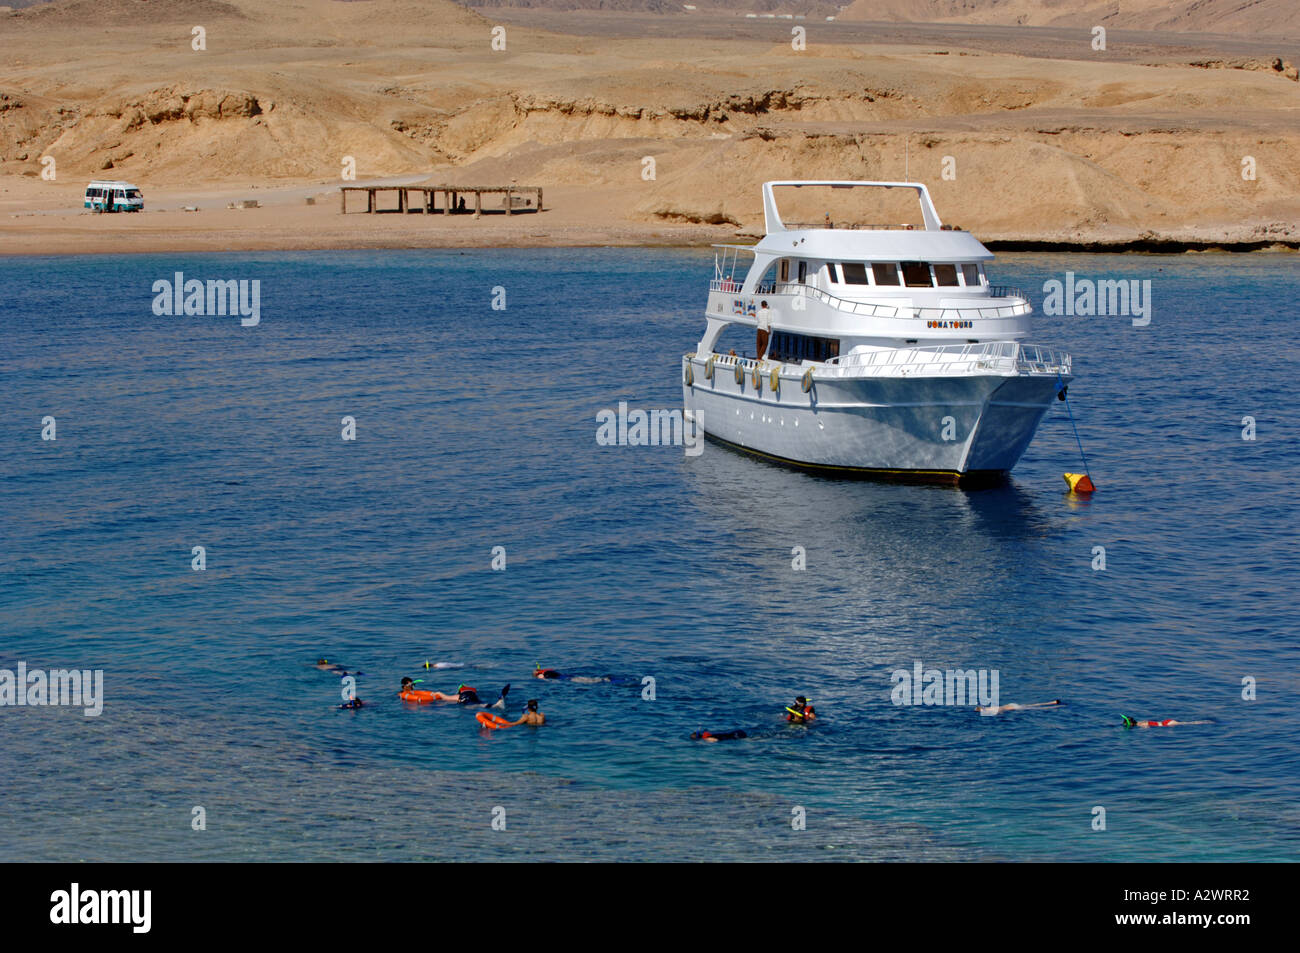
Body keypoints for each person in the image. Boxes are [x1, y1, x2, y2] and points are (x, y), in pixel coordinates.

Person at [976, 700, 1061, 715]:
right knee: (1034, 705)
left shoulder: (993, 710)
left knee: (1037, 708)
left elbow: (1000, 712)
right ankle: (1053, 702)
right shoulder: (991, 708)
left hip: (1014, 708)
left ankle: (1054, 706)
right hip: (1012, 705)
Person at [1121, 715, 1210, 728]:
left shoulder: (1141, 725)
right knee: (1188, 723)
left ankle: (1206, 722)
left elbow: (1147, 727)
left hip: (1167, 724)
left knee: (1190, 723)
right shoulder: (1140, 722)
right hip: (1166, 722)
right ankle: (1206, 722)